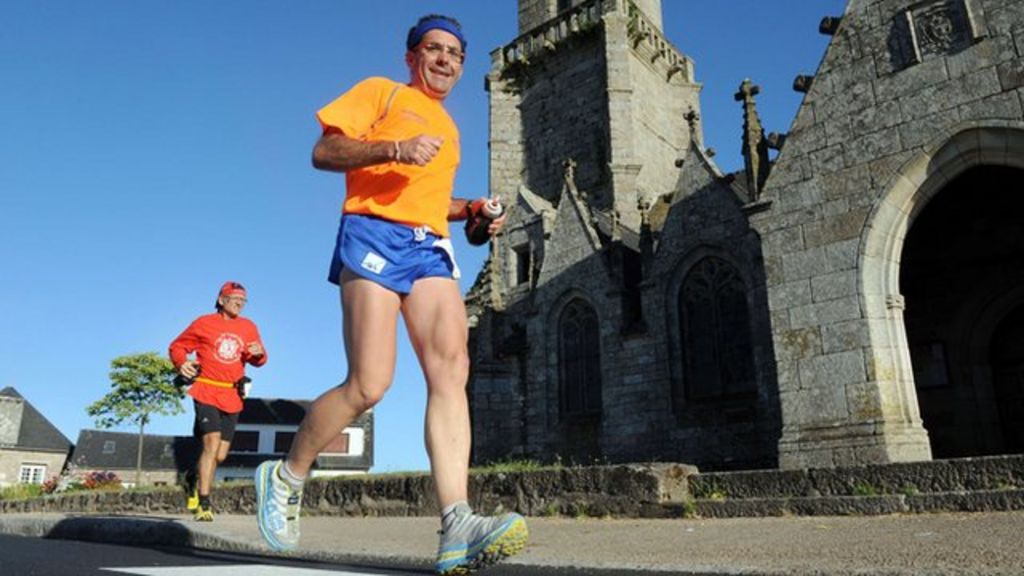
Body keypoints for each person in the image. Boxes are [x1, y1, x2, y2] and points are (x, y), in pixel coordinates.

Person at [254, 13, 527, 575]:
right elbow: (325, 152)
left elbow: (430, 202)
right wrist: (396, 148)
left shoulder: (449, 129)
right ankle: (285, 476)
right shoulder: (382, 92)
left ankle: (457, 522)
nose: (446, 59)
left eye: (455, 53)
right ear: (412, 56)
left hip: (428, 245)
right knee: (369, 383)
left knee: (452, 370)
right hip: (372, 232)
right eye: (434, 48)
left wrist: (474, 212)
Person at [170, 281, 266, 521]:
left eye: (243, 301)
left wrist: (259, 354)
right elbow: (177, 346)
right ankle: (204, 503)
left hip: (232, 395)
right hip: (206, 390)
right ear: (222, 300)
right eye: (235, 299)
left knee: (220, 455)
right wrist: (182, 363)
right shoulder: (203, 323)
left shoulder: (248, 327)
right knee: (211, 444)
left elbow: (259, 358)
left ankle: (193, 478)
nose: (240, 304)